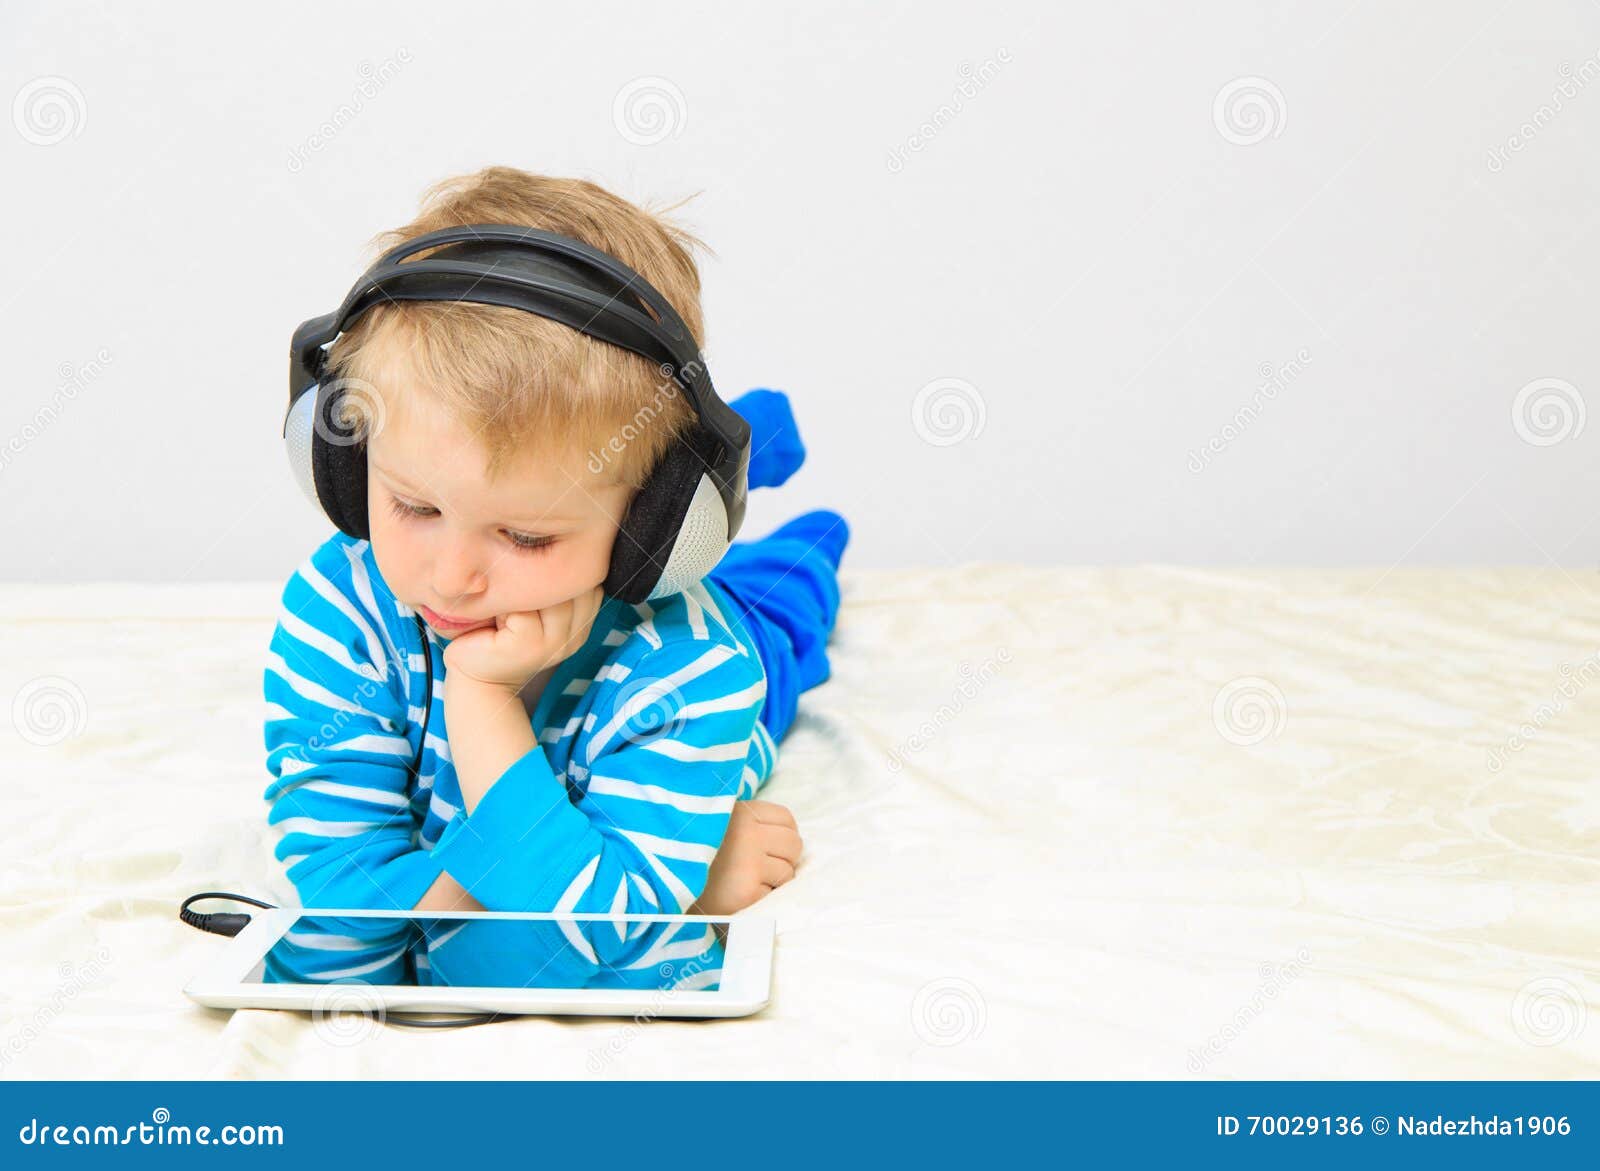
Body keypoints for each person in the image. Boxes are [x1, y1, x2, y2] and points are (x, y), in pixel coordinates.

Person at [260, 167, 848, 985]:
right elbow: (347, 904)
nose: (451, 578)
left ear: (658, 523)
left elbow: (567, 941)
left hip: (746, 626)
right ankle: (757, 442)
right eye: (415, 507)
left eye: (527, 534)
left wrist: (482, 702)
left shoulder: (698, 668)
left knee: (790, 593)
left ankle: (795, 511)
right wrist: (677, 886)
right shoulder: (342, 611)